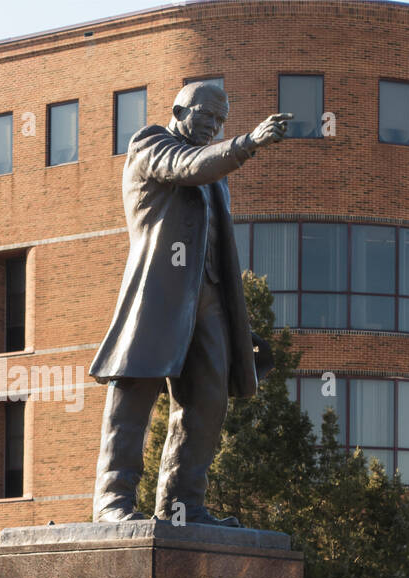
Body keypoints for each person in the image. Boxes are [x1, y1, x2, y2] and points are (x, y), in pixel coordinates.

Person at [90, 81, 290, 525]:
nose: (214, 127)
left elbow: (215, 245)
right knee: (133, 395)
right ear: (179, 109)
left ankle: (183, 508)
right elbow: (186, 166)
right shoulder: (150, 143)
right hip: (158, 295)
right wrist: (247, 142)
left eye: (221, 121)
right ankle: (112, 502)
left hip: (210, 301)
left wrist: (238, 325)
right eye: (207, 118)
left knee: (206, 403)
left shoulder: (216, 182)